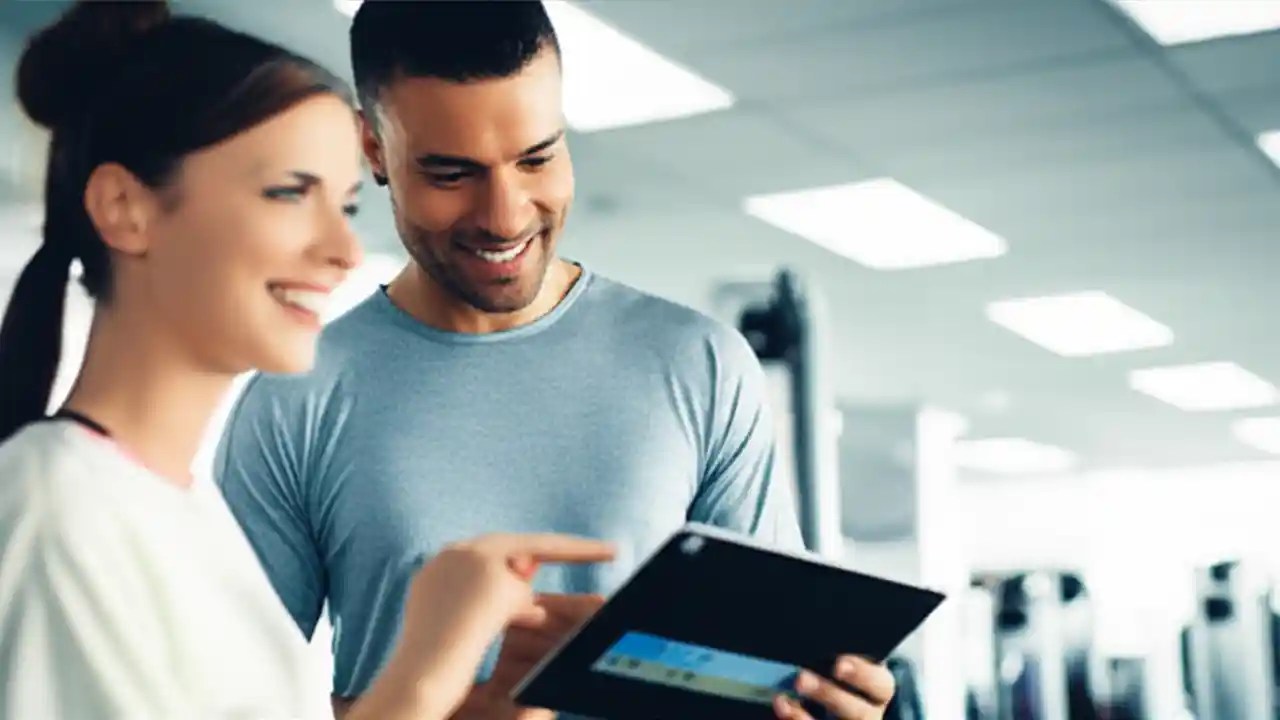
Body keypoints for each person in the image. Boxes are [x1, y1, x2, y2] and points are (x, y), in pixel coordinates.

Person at [215, 2, 897, 719]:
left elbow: (760, 677)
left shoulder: (700, 366)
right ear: (374, 148)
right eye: (453, 174)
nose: (505, 216)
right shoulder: (296, 392)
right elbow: (211, 705)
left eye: (537, 158)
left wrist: (826, 703)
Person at [0, 3, 614, 719]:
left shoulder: (182, 513)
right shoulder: (59, 510)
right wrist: (424, 667)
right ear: (124, 207)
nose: (345, 252)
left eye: (346, 206)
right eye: (290, 193)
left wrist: (460, 705)